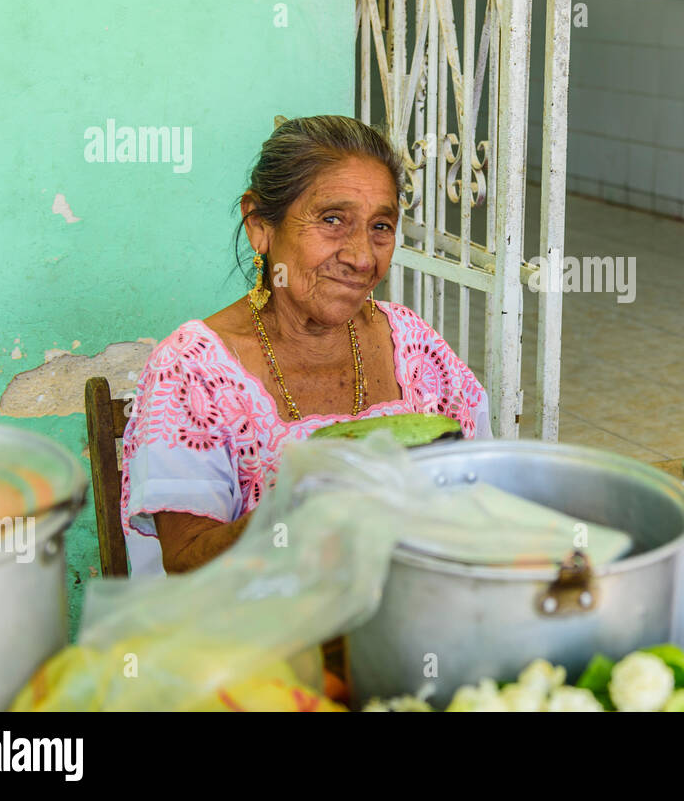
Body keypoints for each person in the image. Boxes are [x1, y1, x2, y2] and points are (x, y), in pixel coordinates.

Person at [120, 115, 492, 576]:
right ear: (259, 226)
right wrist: (302, 506)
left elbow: (482, 492)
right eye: (332, 220)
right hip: (260, 635)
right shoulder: (194, 369)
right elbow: (186, 561)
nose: (361, 257)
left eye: (381, 226)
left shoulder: (413, 346)